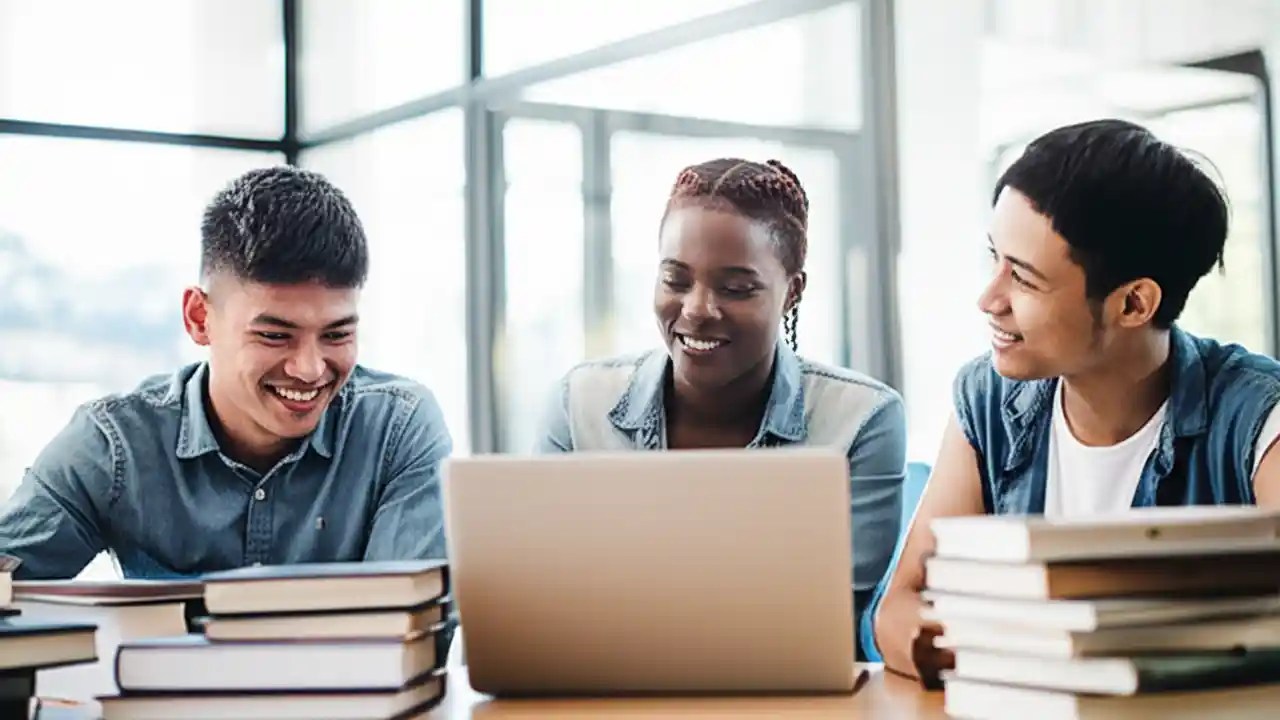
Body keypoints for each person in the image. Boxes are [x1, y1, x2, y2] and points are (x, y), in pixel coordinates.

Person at [871, 119, 1280, 682]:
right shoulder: (989, 399)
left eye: (1024, 278)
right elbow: (897, 609)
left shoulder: (1255, 416)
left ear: (1134, 304)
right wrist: (1012, 660)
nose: (989, 298)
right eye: (995, 258)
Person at [0, 166, 452, 579]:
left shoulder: (398, 428)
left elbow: (413, 625)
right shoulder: (116, 445)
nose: (310, 369)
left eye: (336, 336)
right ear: (200, 318)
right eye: (275, 336)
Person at [538, 158, 908, 644]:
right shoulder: (578, 405)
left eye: (735, 288)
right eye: (675, 280)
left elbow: (825, 625)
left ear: (792, 292)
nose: (696, 309)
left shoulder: (861, 420)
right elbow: (546, 603)